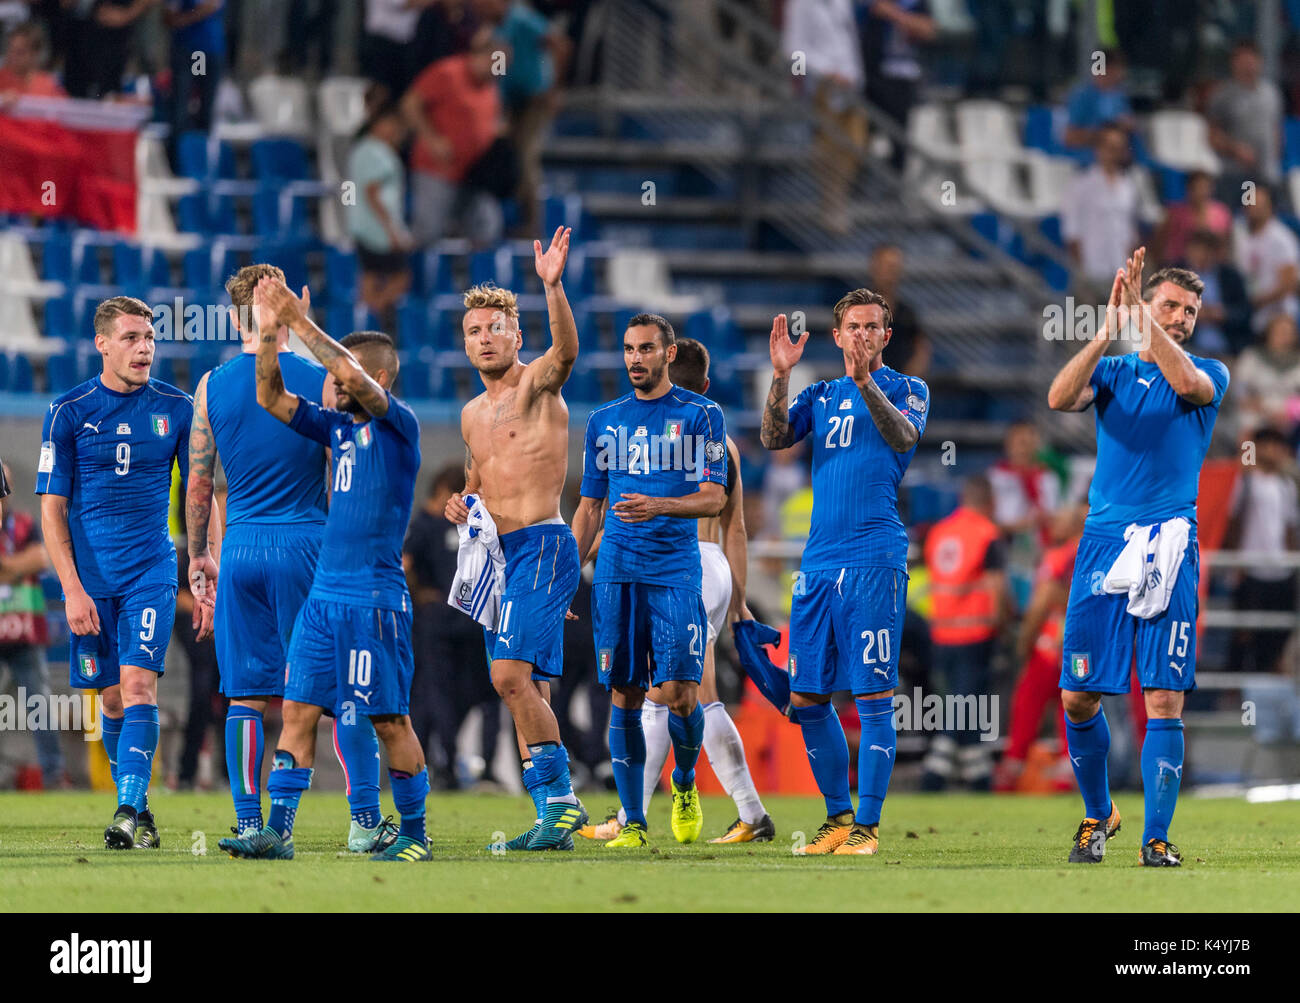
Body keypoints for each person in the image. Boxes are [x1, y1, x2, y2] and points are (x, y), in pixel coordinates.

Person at [220, 281, 427, 862]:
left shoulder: (399, 428)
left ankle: (413, 833)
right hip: (323, 599)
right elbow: (268, 397)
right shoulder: (336, 428)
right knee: (298, 711)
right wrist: (267, 326)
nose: (329, 383)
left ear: (374, 380)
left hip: (374, 599)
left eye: (339, 377)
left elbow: (349, 373)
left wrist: (300, 321)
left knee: (387, 718)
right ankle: (278, 834)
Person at [186, 263, 391, 851]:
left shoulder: (208, 386)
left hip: (243, 549)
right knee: (339, 692)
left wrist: (201, 556)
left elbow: (200, 484)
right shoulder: (321, 379)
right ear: (293, 308)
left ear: (233, 316)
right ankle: (363, 824)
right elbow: (345, 470)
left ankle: (251, 823)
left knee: (246, 694)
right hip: (308, 543)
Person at [1048, 248, 1230, 866]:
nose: (1180, 317)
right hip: (1104, 543)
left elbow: (1184, 382)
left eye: (1189, 310)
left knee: (1162, 698)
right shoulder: (1115, 373)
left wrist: (1143, 322)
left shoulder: (1210, 374)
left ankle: (1157, 837)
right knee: (1078, 696)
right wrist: (1105, 332)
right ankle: (1098, 816)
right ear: (1147, 305)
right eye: (1169, 306)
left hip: (1171, 546)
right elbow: (1058, 397)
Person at [579, 337, 773, 844]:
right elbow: (738, 527)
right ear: (705, 384)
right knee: (686, 696)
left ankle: (639, 814)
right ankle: (742, 810)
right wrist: (740, 599)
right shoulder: (720, 440)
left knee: (661, 697)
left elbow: (713, 519)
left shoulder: (685, 434)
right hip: (713, 570)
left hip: (688, 566)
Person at [37, 295, 213, 849]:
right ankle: (141, 810)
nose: (144, 349)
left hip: (150, 572)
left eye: (150, 338)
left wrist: (204, 562)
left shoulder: (177, 408)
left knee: (139, 688)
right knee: (111, 701)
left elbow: (202, 490)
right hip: (90, 584)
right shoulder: (68, 411)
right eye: (132, 338)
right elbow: (50, 508)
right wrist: (71, 589)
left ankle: (126, 809)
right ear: (103, 343)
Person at [758, 289, 928, 856]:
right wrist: (781, 376)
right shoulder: (821, 394)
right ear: (836, 336)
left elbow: (904, 438)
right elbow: (774, 438)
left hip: (874, 560)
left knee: (874, 696)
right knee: (807, 697)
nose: (861, 335)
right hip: (817, 566)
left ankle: (869, 828)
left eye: (872, 326)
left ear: (886, 335)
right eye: (852, 327)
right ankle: (837, 817)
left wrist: (864, 383)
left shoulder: (909, 390)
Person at [442, 227, 588, 851]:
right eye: (473, 331)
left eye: (494, 328)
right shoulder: (472, 414)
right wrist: (463, 502)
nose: (483, 339)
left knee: (507, 677)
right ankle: (548, 817)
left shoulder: (536, 384)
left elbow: (568, 350)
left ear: (516, 334)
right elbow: (480, 479)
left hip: (544, 543)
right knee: (531, 689)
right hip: (499, 559)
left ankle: (561, 802)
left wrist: (552, 285)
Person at [403, 465, 501, 788]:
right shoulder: (453, 522)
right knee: (480, 696)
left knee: (441, 695)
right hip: (468, 619)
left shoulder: (430, 524)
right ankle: (465, 765)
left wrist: (419, 595)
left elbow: (406, 567)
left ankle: (445, 764)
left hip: (444, 623)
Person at [920, 474, 1008, 792]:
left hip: (942, 633)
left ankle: (979, 777)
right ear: (989, 501)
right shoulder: (987, 534)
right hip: (976, 632)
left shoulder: (939, 533)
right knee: (965, 705)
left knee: (963, 702)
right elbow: (996, 588)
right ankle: (935, 769)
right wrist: (1002, 627)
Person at [995, 501, 1088, 793]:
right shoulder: (1092, 555)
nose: (1052, 524)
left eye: (1059, 519)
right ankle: (1069, 772)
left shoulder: (1059, 556)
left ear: (1071, 524)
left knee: (1027, 707)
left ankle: (1011, 771)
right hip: (1083, 647)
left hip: (1051, 646)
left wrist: (1024, 643)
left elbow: (1040, 604)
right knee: (1074, 711)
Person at [400, 26, 506, 246]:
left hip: (473, 175)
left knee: (487, 225)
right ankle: (422, 278)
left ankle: (479, 280)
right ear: (481, 55)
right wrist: (432, 139)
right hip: (436, 168)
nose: (500, 69)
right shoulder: (448, 72)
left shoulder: (491, 87)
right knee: (428, 233)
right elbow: (410, 104)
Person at [0, 462, 64, 789]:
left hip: (25, 634)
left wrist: (6, 565)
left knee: (40, 706)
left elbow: (40, 559)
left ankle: (53, 774)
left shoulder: (24, 524)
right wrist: (16, 567)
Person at [1224, 427, 1298, 674]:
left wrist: (1291, 566)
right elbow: (1234, 523)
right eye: (1267, 445)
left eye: (1278, 446)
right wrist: (1236, 566)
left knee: (1275, 636)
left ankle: (1265, 693)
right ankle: (1235, 694)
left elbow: (1289, 530)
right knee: (1244, 636)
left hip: (1280, 572)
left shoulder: (1286, 485)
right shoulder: (1245, 482)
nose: (1274, 451)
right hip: (1251, 570)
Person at [346, 98, 413, 322]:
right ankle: (373, 317)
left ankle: (366, 324)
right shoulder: (374, 152)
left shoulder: (364, 149)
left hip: (365, 228)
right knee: (399, 279)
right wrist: (392, 230)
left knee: (370, 277)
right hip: (377, 230)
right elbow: (372, 194)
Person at [1061, 123, 1143, 305]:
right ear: (1098, 149)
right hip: (1091, 269)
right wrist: (1082, 270)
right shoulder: (1080, 185)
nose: (1113, 152)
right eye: (1109, 147)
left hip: (1119, 270)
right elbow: (1072, 232)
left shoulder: (1128, 187)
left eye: (1118, 148)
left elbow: (1130, 231)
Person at [1208, 40, 1284, 199]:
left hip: (1267, 174)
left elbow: (1276, 129)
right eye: (1243, 61)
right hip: (1237, 175)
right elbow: (1212, 135)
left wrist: (1275, 156)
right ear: (1234, 63)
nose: (1248, 66)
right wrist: (1236, 149)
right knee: (1244, 219)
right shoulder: (1223, 95)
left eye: (1252, 60)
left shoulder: (1271, 93)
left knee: (1265, 221)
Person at [1236, 183, 1299, 337]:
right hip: (1252, 310)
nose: (1254, 208)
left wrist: (1259, 302)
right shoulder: (1242, 236)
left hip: (1278, 311)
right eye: (1251, 204)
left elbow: (1289, 283)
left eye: (1259, 204)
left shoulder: (1281, 238)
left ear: (1270, 207)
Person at [164, 1, 225, 146]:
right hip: (189, 51)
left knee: (206, 110)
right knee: (181, 109)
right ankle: (177, 158)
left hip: (211, 51)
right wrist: (198, 13)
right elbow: (169, 19)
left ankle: (200, 156)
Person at [1233, 313, 1300, 439]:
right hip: (1258, 410)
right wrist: (1263, 410)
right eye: (1280, 331)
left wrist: (1290, 413)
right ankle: (1249, 458)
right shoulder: (1251, 356)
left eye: (1288, 332)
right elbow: (1239, 391)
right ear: (1269, 332)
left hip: (1290, 415)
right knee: (1246, 421)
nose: (1284, 336)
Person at [1151, 170, 1231, 268]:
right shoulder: (1176, 214)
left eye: (1205, 187)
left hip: (1212, 269)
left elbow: (1224, 245)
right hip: (1180, 268)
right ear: (1189, 189)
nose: (1202, 192)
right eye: (1198, 187)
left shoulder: (1221, 214)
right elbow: (1159, 242)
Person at [1062, 49, 1135, 156]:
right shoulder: (1082, 96)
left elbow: (1128, 124)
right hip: (1089, 158)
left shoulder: (1120, 95)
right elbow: (1069, 137)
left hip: (1122, 157)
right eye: (1119, 69)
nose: (1122, 74)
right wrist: (1102, 135)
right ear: (1108, 69)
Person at [0, 21, 65, 98]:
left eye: (20, 52)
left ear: (35, 54)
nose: (12, 57)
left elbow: (67, 107)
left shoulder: (48, 86)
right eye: (10, 50)